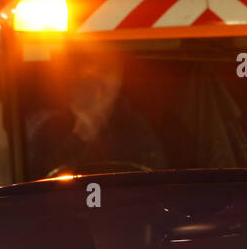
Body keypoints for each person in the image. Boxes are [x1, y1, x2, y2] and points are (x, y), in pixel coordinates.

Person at [26, 46, 165, 177]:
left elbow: (155, 178)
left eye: (107, 71)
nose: (100, 83)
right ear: (76, 79)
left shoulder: (137, 128)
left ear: (119, 79)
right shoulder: (49, 131)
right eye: (90, 75)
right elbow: (37, 183)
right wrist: (79, 135)